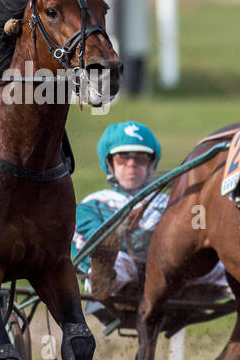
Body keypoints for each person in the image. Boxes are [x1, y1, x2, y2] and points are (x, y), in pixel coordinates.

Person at [76, 121, 226, 299]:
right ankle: (103, 277)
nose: (131, 164)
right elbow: (83, 237)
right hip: (124, 266)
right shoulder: (95, 202)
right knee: (116, 261)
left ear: (150, 164)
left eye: (140, 159)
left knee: (225, 264)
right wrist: (118, 231)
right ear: (110, 163)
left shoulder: (171, 200)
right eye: (123, 158)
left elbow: (198, 226)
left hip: (172, 266)